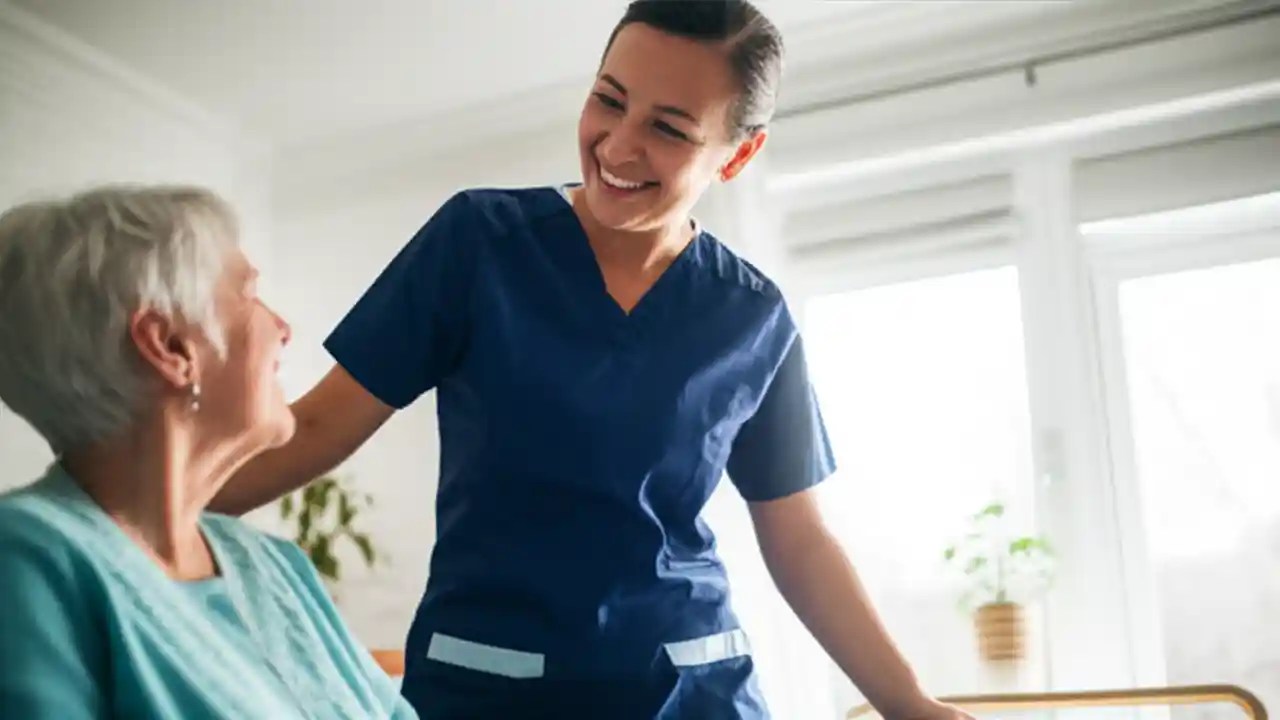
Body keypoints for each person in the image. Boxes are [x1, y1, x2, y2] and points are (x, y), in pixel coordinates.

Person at [214, 2, 974, 718]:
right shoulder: (477, 244)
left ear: (739, 153)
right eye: (609, 100)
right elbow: (318, 426)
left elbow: (799, 539)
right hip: (489, 686)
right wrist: (149, 517)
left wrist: (911, 704)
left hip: (692, 689)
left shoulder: (752, 316)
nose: (617, 146)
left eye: (668, 128)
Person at [0, 186, 417, 720]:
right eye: (248, 293)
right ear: (169, 347)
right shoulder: (27, 561)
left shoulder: (275, 565)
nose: (282, 329)